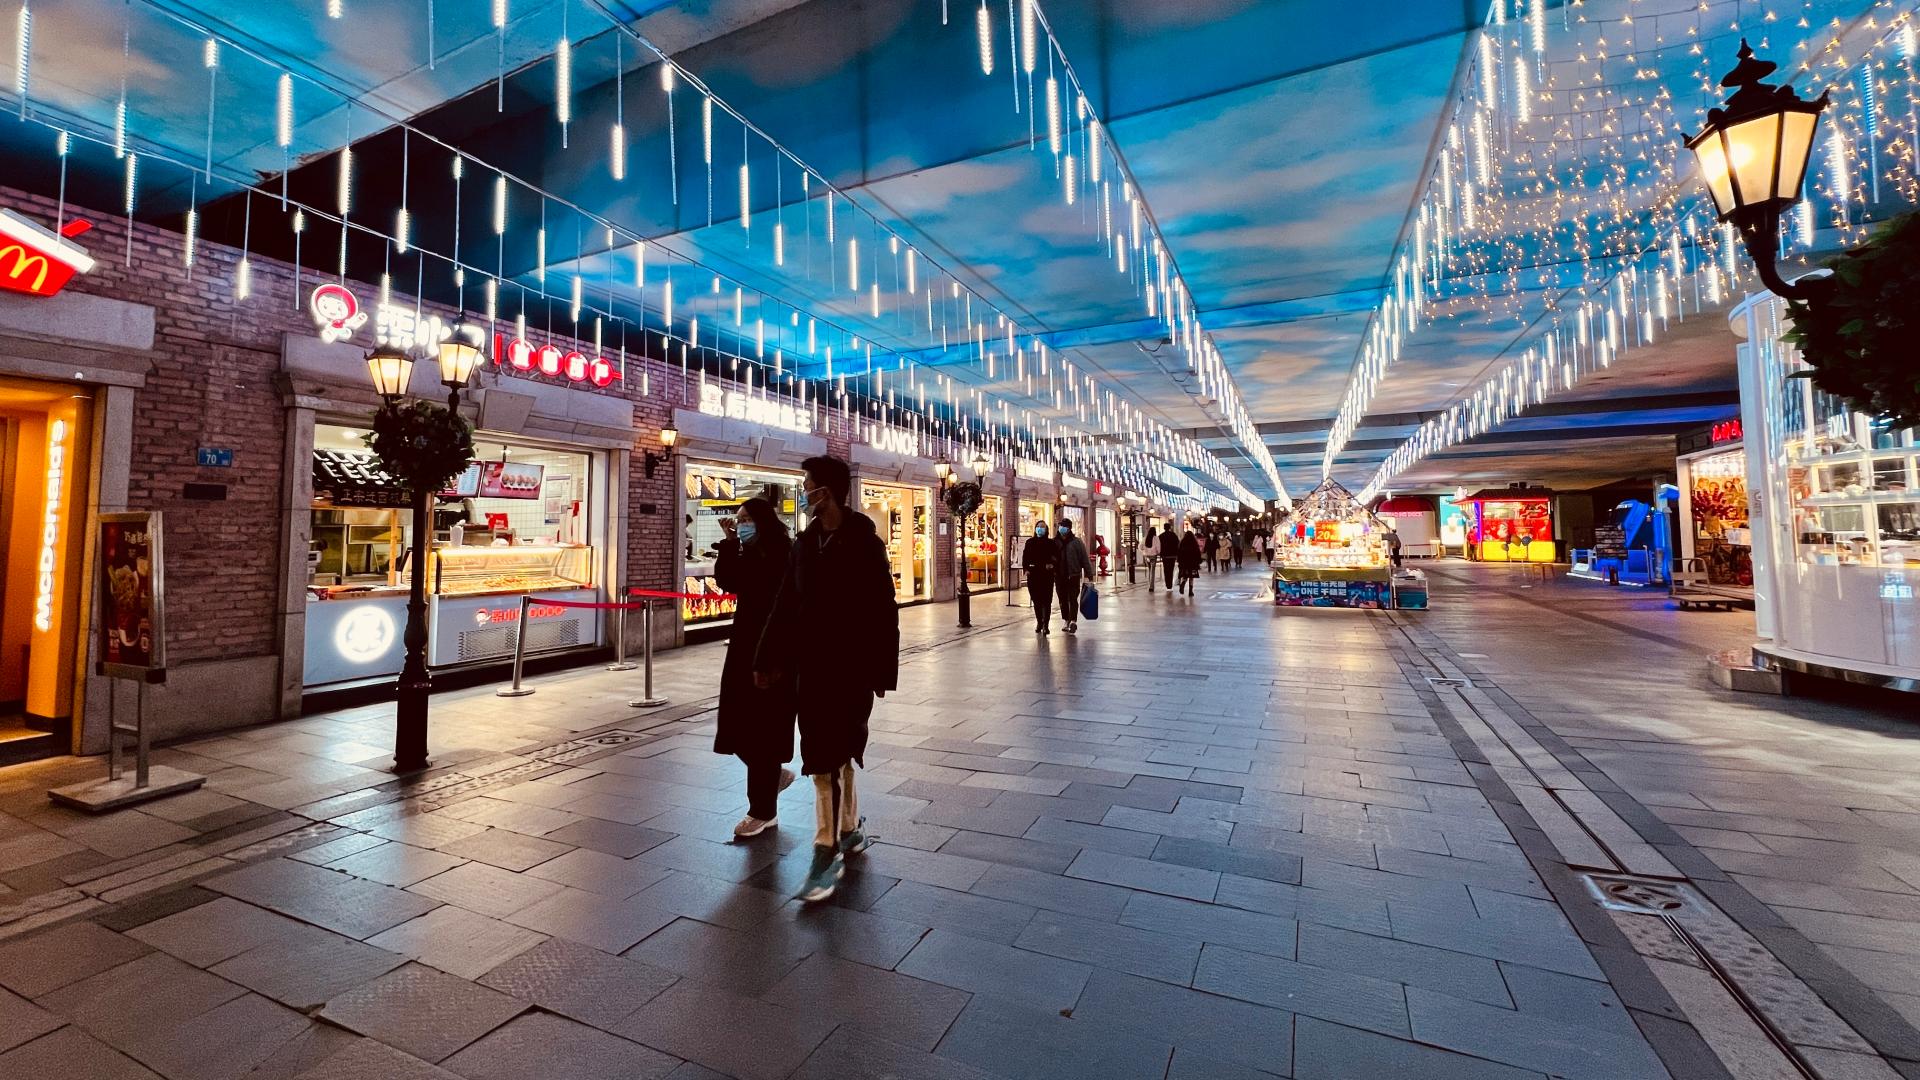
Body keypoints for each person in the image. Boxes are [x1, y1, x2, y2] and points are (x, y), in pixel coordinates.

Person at [754, 456, 898, 903]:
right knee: (828, 752)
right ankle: (849, 828)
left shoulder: (864, 544)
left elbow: (883, 610)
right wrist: (767, 657)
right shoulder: (805, 543)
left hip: (851, 667)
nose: (804, 492)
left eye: (808, 486)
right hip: (811, 667)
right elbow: (785, 603)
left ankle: (826, 848)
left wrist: (882, 671)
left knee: (830, 753)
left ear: (827, 493)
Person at [711, 498, 798, 839]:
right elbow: (728, 581)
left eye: (747, 519)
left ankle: (762, 811)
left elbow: (785, 607)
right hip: (745, 648)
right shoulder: (750, 550)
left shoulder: (782, 554)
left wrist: (775, 657)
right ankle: (772, 779)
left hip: (773, 651)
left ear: (763, 521)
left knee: (764, 730)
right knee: (735, 723)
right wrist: (730, 543)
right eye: (740, 518)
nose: (742, 523)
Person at [1055, 518, 1095, 634]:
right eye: (1061, 526)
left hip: (1073, 575)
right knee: (1062, 599)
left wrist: (1089, 574)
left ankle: (1073, 621)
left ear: (1069, 528)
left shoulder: (1076, 542)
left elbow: (1084, 559)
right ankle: (1066, 620)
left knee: (1073, 598)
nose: (1062, 528)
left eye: (1065, 526)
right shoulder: (1054, 542)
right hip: (1059, 576)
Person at [1022, 520, 1060, 634]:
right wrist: (1026, 569)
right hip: (1033, 575)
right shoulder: (1030, 542)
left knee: (1046, 601)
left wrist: (1052, 565)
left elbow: (1056, 557)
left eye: (1042, 527)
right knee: (1036, 601)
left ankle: (1046, 625)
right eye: (1038, 526)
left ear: (1046, 529)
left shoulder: (1051, 543)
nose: (1040, 529)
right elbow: (1025, 557)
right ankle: (1039, 621)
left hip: (1046, 576)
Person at [1178, 526, 1203, 595]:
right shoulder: (1194, 543)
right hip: (1193, 563)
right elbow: (1198, 553)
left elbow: (1179, 553)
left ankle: (1183, 583)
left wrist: (1179, 561)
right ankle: (1190, 591)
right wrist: (1199, 561)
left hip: (1184, 563)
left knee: (1185, 575)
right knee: (1191, 577)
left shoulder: (1182, 543)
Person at [1157, 522, 1179, 590]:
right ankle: (1170, 584)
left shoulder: (1161, 536)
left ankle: (1168, 585)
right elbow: (1177, 544)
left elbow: (1159, 545)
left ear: (1164, 528)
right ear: (1170, 527)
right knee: (1171, 570)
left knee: (1166, 570)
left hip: (1165, 556)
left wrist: (1160, 553)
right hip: (1172, 556)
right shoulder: (1173, 535)